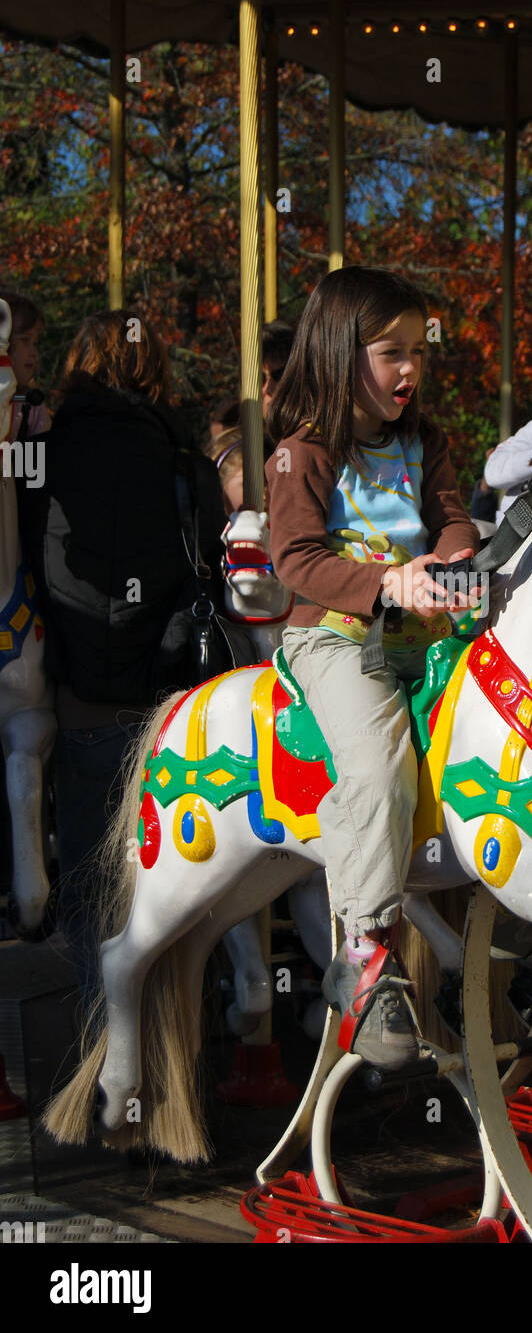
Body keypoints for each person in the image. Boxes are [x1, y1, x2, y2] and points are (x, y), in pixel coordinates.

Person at [265, 267, 479, 1070]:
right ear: (337, 352)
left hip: (418, 630)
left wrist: (454, 564)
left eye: (418, 352)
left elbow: (452, 518)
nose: (410, 371)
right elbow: (295, 559)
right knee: (382, 765)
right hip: (337, 634)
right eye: (392, 353)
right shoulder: (304, 454)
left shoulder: (423, 443)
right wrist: (386, 579)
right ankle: (364, 950)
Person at [19, 311, 227, 1013]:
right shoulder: (180, 461)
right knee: (168, 876)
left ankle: (102, 1033)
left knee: (88, 875)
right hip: (166, 700)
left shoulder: (40, 456)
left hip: (74, 693)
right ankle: (178, 1034)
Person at [0, 286, 52, 438]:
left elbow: (39, 459)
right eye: (25, 340)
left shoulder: (31, 408)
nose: (34, 353)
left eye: (35, 343)